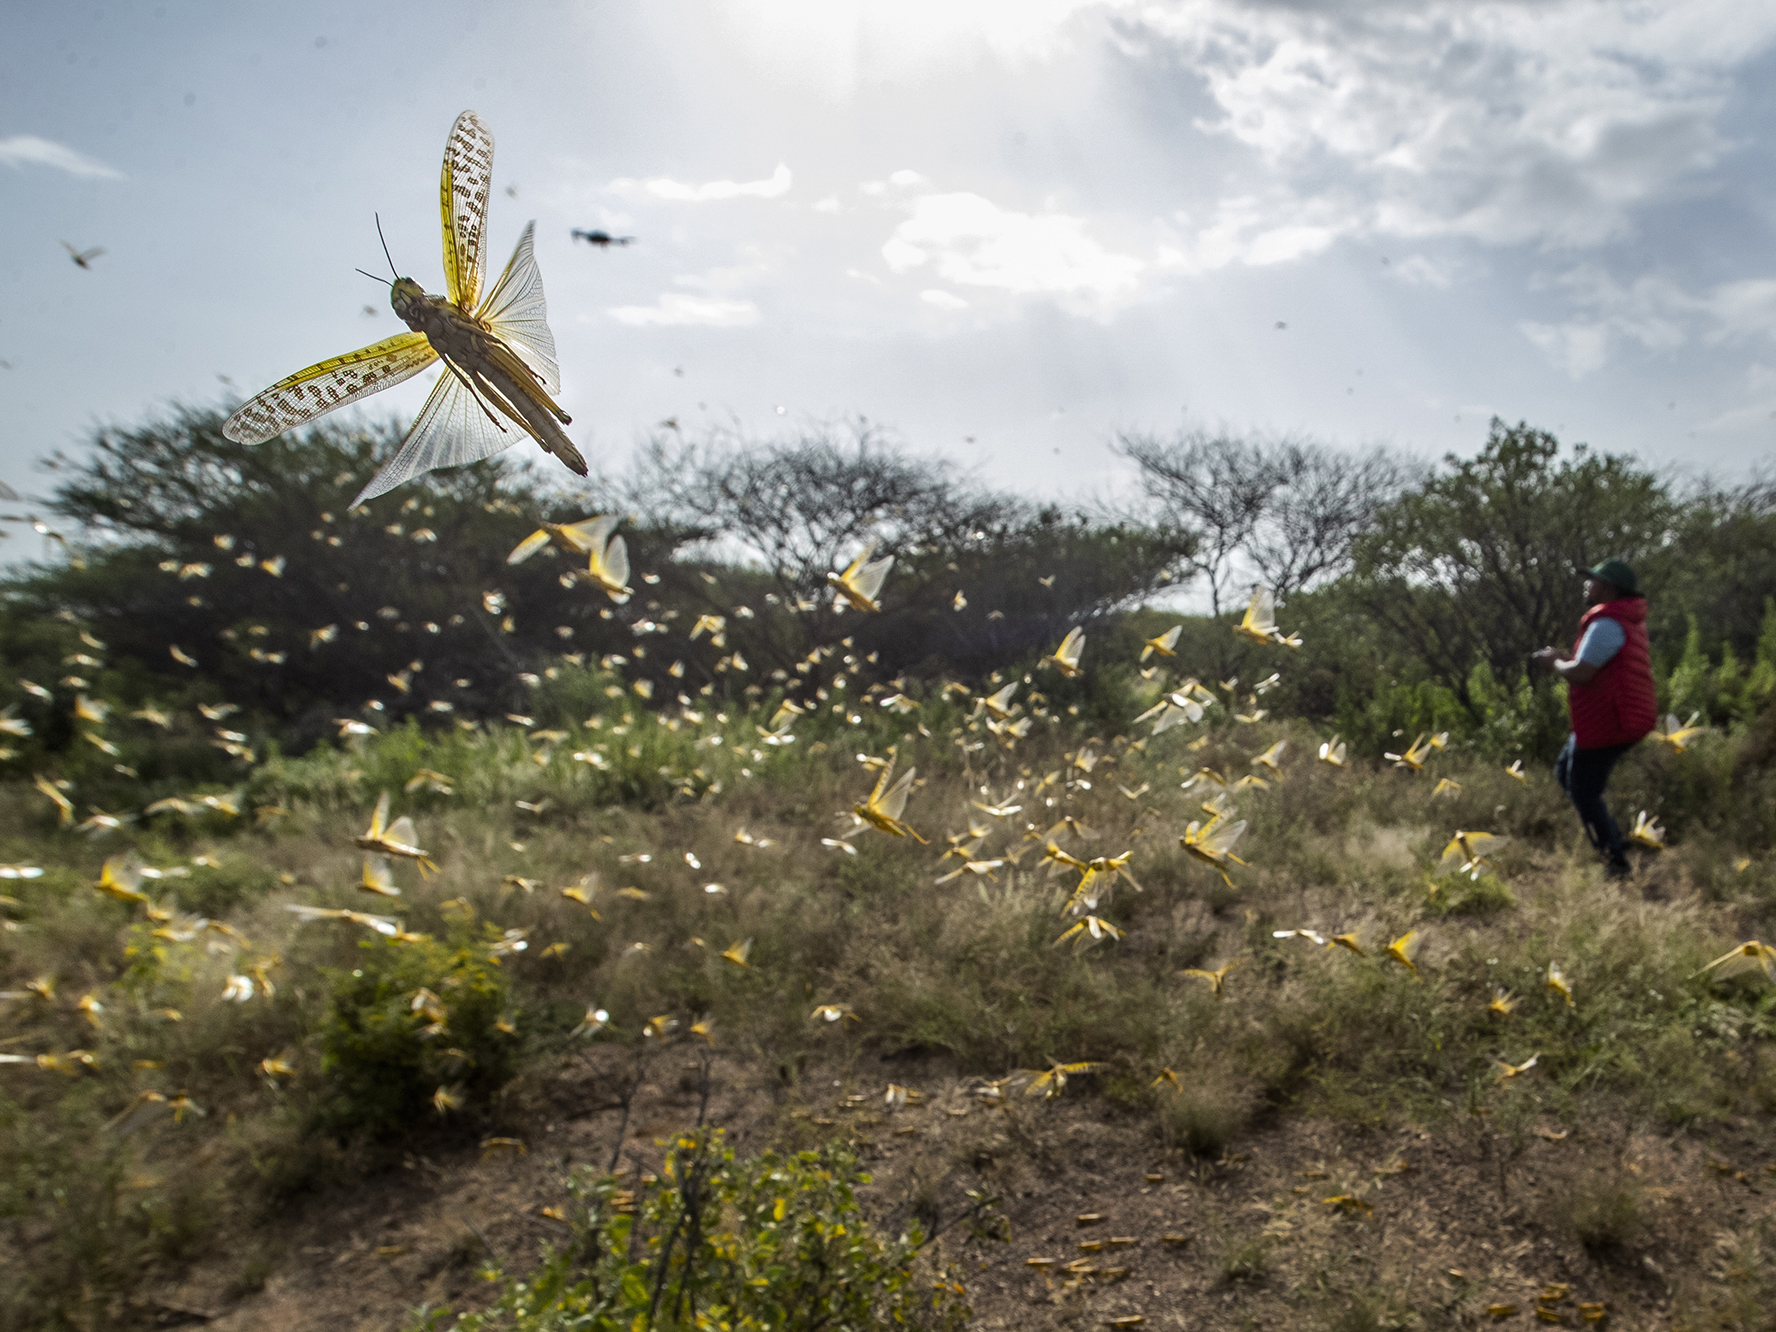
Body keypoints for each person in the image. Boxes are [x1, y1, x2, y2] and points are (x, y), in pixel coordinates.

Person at [1530, 558, 1658, 879]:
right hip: (1609, 718)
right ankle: (1613, 840)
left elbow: (1582, 673)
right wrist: (1564, 660)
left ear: (1609, 588)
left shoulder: (1607, 624)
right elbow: (1593, 666)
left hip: (1610, 723)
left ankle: (1615, 862)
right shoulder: (1621, 621)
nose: (1587, 585)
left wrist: (1553, 664)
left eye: (1594, 580)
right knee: (1566, 773)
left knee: (1584, 791)